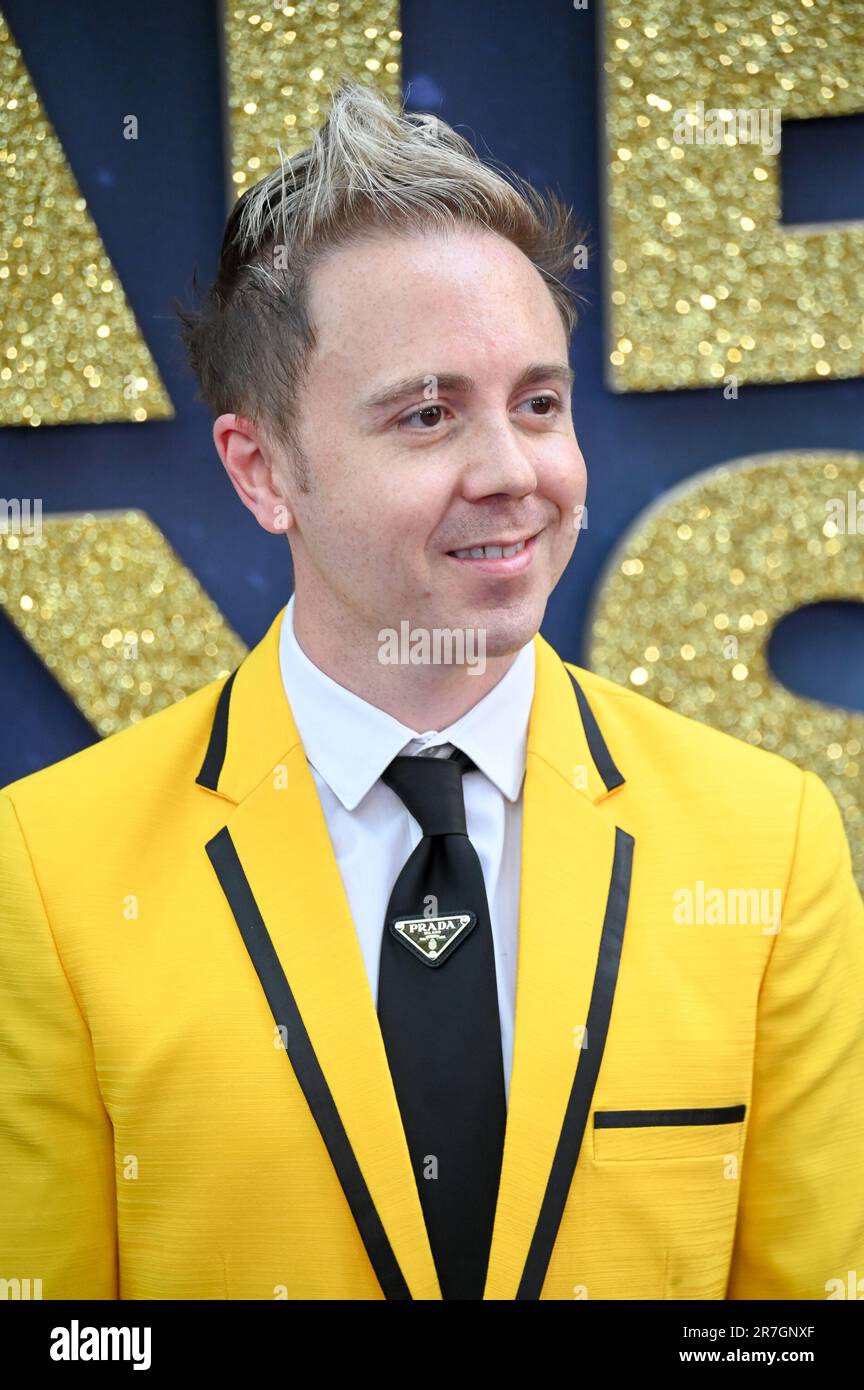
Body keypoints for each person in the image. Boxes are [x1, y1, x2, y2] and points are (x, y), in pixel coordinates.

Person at [1, 81, 862, 1302]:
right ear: (262, 470)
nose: (513, 472)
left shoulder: (767, 842)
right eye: (426, 413)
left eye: (539, 404)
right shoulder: (47, 868)